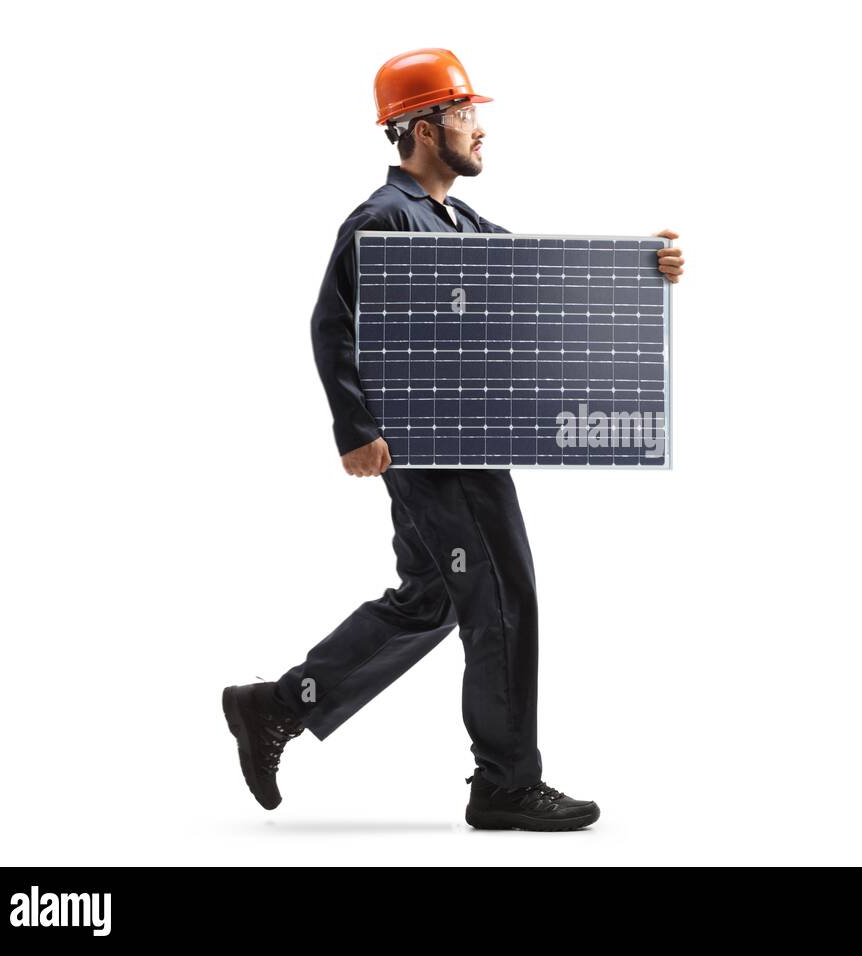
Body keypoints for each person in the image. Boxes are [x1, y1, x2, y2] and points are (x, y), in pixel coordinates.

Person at [221, 48, 685, 831]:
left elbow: (539, 274)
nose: (481, 129)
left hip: (464, 441)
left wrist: (646, 264)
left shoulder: (458, 220)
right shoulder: (382, 217)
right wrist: (356, 429)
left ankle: (275, 706)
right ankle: (505, 781)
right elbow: (329, 325)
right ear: (424, 128)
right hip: (434, 458)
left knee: (431, 599)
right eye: (467, 114)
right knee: (503, 597)